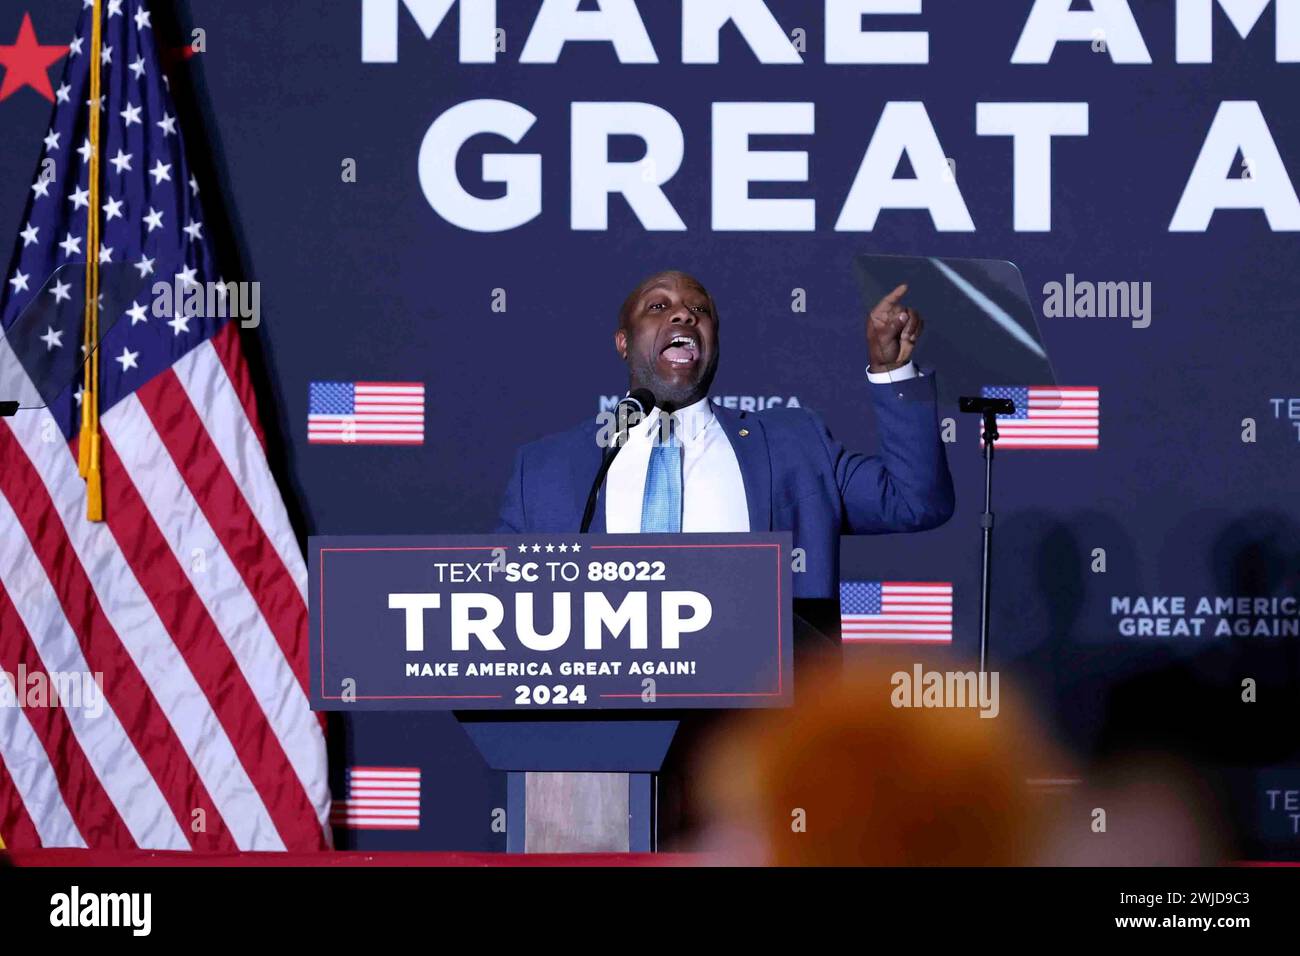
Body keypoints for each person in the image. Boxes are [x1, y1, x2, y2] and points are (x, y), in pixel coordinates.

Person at [496, 269, 955, 598]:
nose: (683, 316)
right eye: (659, 307)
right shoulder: (544, 470)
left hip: (756, 723)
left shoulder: (795, 445)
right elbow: (503, 602)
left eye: (699, 309)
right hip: (609, 722)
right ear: (623, 342)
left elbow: (915, 503)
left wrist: (894, 373)